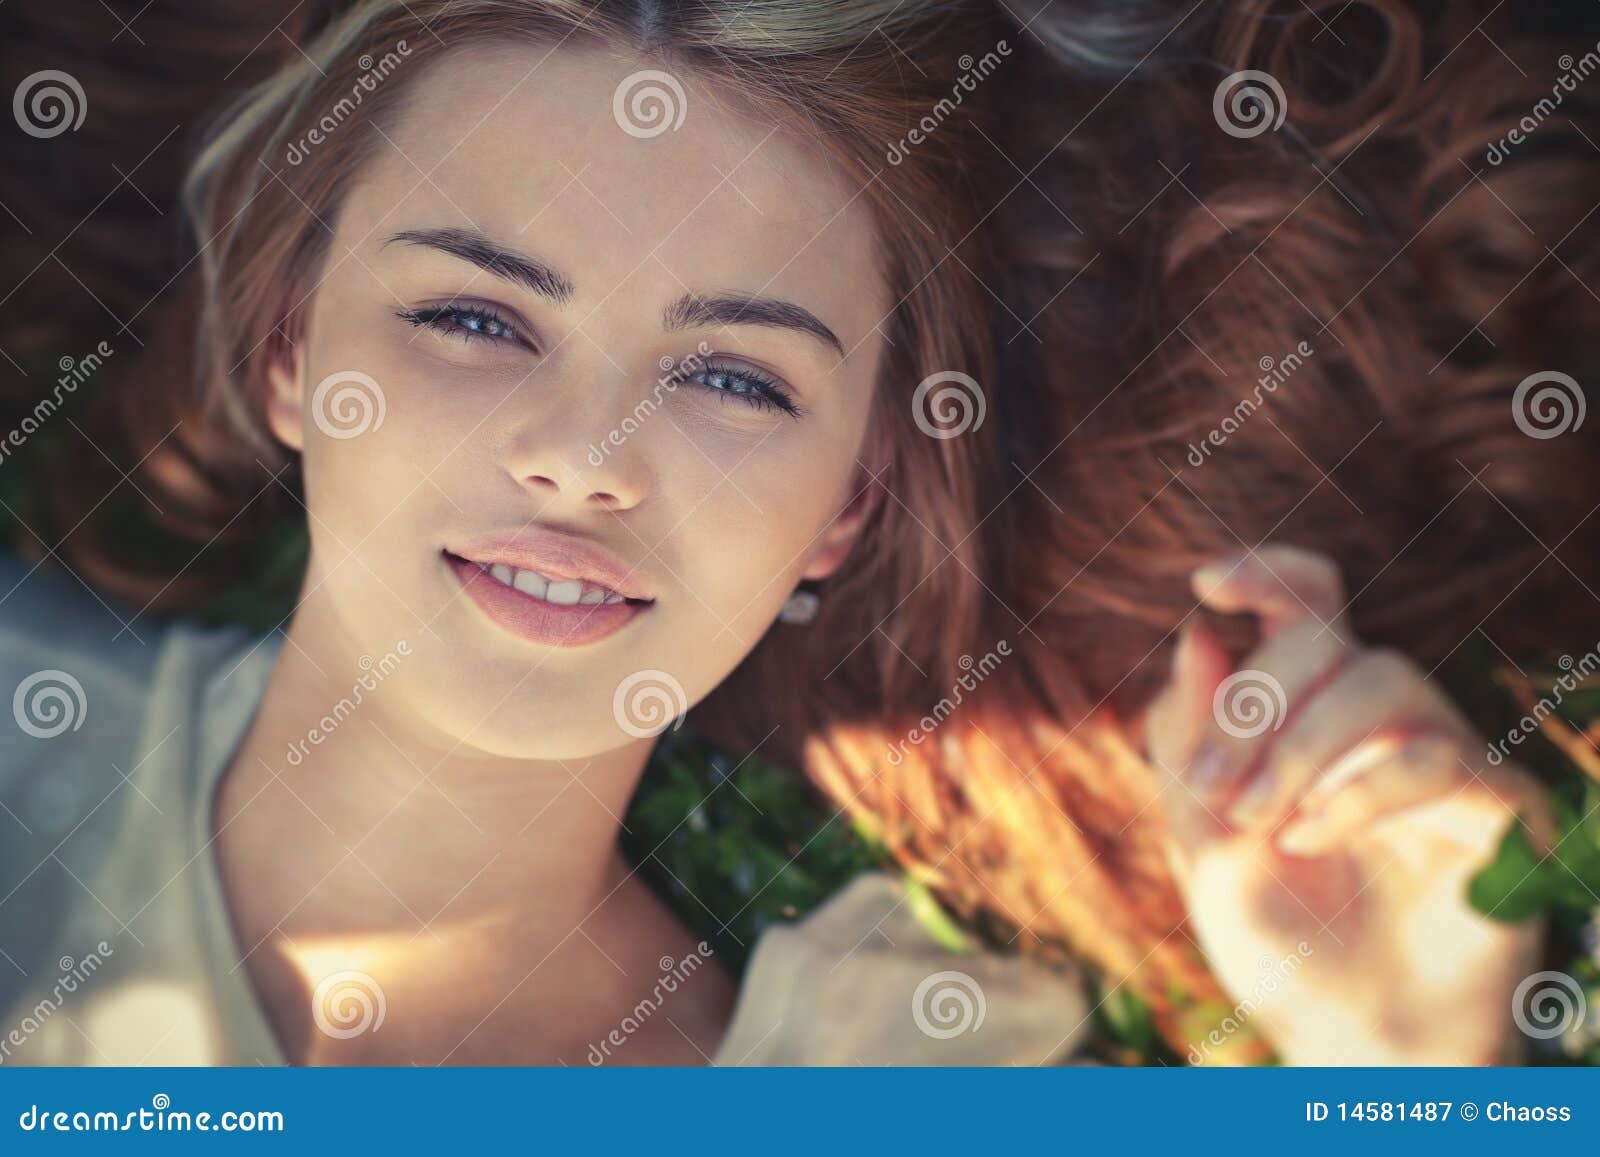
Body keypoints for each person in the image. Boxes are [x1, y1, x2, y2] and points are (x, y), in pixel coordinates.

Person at [0, 0, 1595, 1065]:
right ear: (291, 350)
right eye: (477, 317)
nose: (584, 456)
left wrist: (1416, 1062)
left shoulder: (912, 1060)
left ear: (853, 497)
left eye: (729, 374)